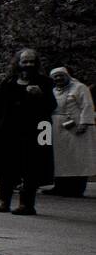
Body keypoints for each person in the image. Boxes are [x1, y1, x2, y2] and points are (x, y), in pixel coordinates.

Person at [0, 48, 56, 215]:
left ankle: (26, 204)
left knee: (32, 167)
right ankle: (3, 200)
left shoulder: (45, 83)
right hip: (9, 131)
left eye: (32, 61)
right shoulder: (7, 83)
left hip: (37, 130)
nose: (28, 65)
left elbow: (52, 107)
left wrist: (41, 95)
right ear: (18, 63)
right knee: (6, 165)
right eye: (25, 61)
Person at [45, 66, 94, 197]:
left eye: (61, 75)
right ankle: (60, 187)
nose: (58, 78)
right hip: (57, 127)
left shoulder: (79, 87)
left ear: (68, 76)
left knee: (78, 157)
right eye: (55, 76)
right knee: (61, 158)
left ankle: (77, 189)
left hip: (77, 126)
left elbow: (87, 105)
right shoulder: (53, 90)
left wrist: (84, 123)